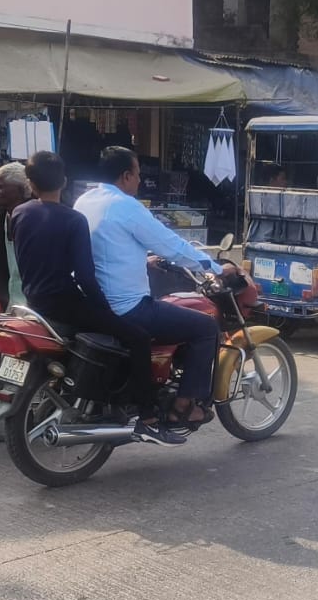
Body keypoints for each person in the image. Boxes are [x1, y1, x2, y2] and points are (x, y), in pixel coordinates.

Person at [10, 152, 184, 444]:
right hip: (66, 304)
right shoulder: (73, 219)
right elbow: (87, 277)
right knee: (139, 338)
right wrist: (105, 310)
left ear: (31, 184)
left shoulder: (19, 213)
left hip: (33, 302)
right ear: (64, 182)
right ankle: (148, 417)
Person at [74, 147, 237, 430]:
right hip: (127, 307)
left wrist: (144, 259)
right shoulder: (126, 206)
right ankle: (184, 407)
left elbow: (106, 246)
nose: (139, 180)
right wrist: (217, 268)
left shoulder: (85, 200)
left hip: (92, 303)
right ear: (126, 176)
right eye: (137, 174)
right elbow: (171, 245)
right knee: (206, 329)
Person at [0, 162, 31, 311]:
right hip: (8, 300)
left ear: (20, 189)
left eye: (1, 187)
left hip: (31, 304)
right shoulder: (3, 216)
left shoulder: (34, 219)